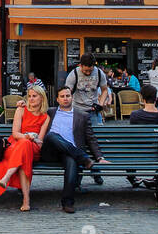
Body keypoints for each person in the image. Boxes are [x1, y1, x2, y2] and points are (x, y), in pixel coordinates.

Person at [41, 86, 109, 214]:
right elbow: (33, 107)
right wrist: (21, 104)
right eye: (62, 96)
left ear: (72, 97)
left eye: (68, 96)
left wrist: (100, 157)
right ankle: (83, 158)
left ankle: (68, 202)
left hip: (69, 153)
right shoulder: (50, 112)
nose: (65, 99)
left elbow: (90, 138)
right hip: (50, 151)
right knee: (51, 135)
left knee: (71, 161)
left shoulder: (82, 116)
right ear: (57, 99)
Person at [0, 86, 51, 211]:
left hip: (33, 147)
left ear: (42, 97)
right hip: (16, 144)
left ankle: (7, 176)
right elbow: (15, 133)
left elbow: (40, 141)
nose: (31, 99)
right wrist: (26, 137)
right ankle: (26, 200)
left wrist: (31, 139)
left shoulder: (46, 117)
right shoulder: (21, 110)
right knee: (24, 150)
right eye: (29, 96)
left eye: (35, 96)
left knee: (26, 146)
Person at [64, 54, 110, 124]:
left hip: (93, 110)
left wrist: (100, 105)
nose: (88, 73)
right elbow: (67, 92)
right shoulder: (74, 74)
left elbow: (104, 90)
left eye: (90, 71)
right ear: (80, 65)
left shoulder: (99, 73)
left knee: (98, 133)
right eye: (85, 71)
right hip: (77, 110)